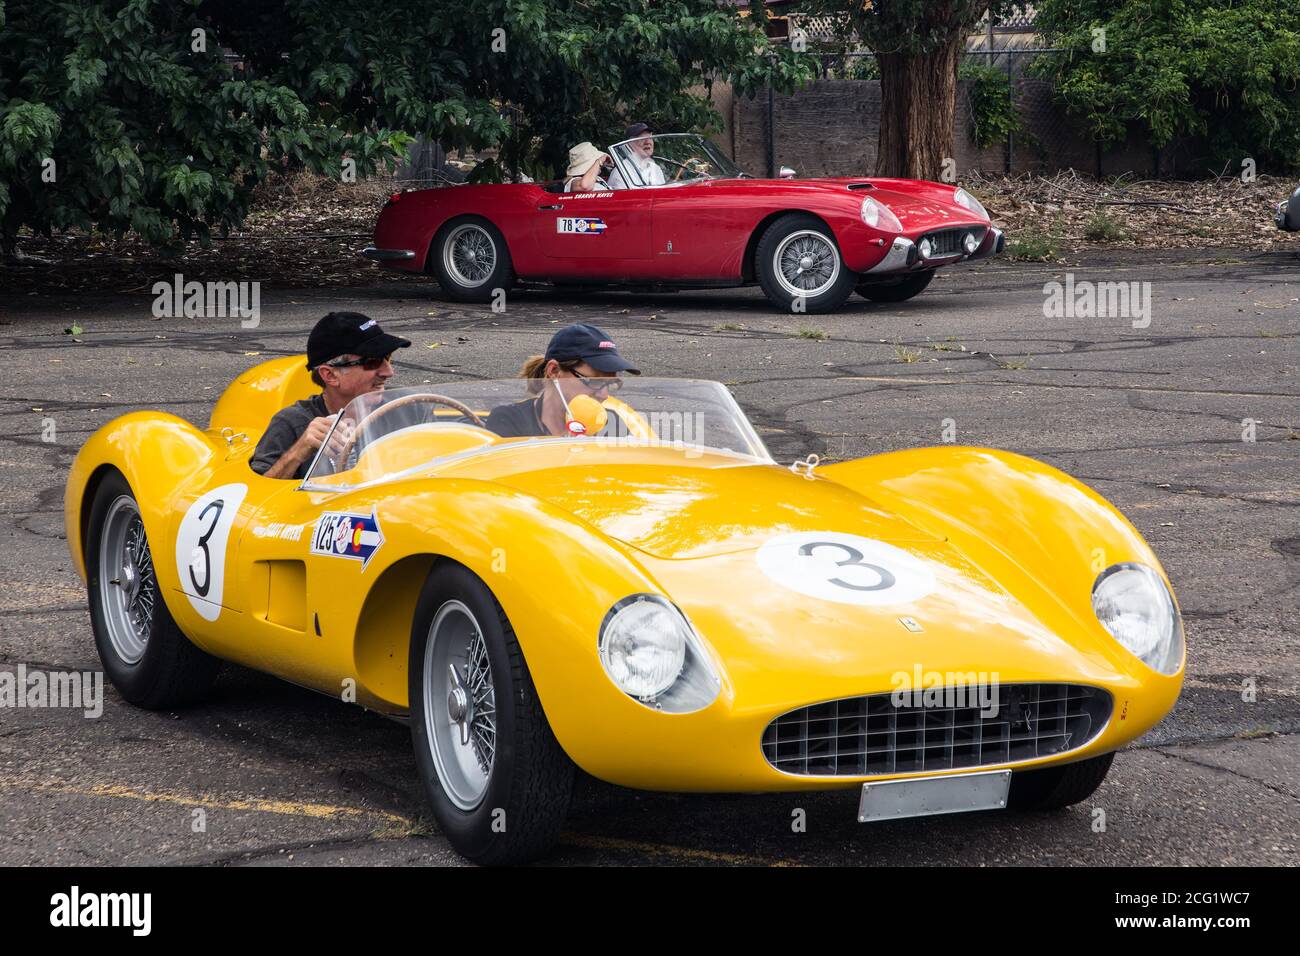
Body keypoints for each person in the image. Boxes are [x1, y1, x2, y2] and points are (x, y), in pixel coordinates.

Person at [249, 311, 411, 479]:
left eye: (387, 357)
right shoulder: (292, 423)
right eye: (372, 362)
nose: (388, 371)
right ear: (330, 375)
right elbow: (256, 496)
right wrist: (296, 453)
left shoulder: (406, 408)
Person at [484, 323, 641, 438]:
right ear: (554, 371)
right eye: (594, 381)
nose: (604, 394)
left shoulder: (611, 422)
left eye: (610, 384)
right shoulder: (510, 420)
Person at [607, 122, 667, 189]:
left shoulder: (656, 169)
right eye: (641, 139)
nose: (648, 142)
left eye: (650, 138)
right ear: (629, 144)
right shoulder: (621, 172)